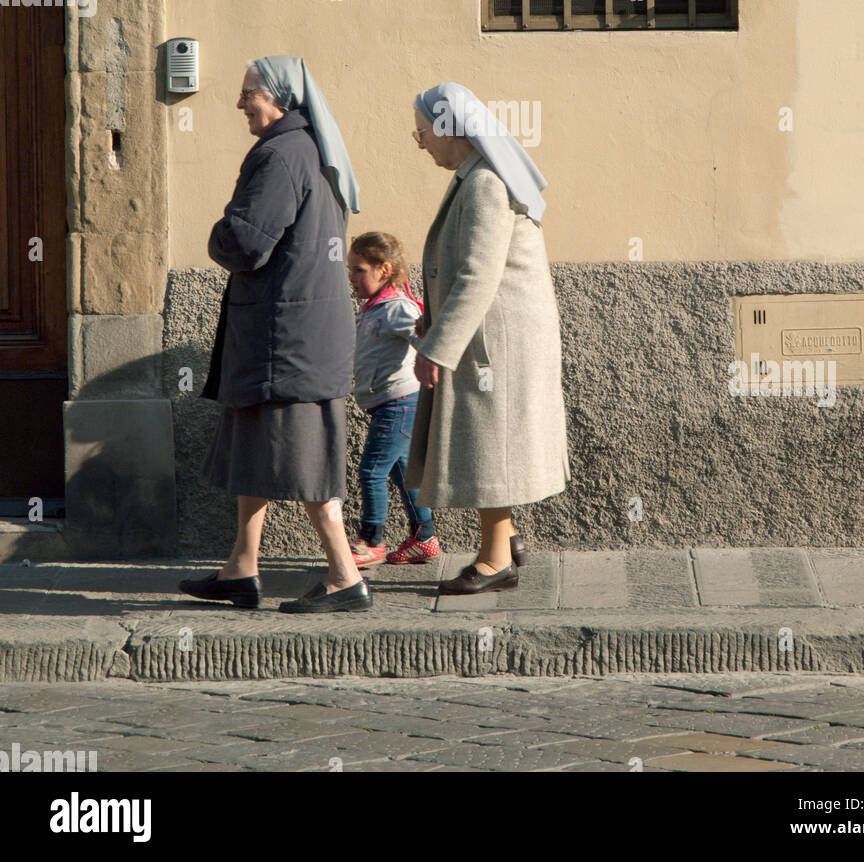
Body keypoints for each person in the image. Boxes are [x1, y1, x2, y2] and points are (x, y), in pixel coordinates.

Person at [178, 56, 372, 615]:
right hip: (294, 335)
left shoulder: (280, 155)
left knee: (304, 460)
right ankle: (242, 567)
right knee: (258, 451)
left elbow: (244, 240)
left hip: (285, 341)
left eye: (249, 94)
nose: (240, 104)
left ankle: (344, 577)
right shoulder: (308, 149)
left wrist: (215, 233)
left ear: (280, 97)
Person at [406, 82, 570, 594]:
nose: (420, 141)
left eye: (423, 130)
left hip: (493, 343)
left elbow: (478, 275)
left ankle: (496, 559)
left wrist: (437, 348)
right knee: (488, 443)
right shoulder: (476, 176)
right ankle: (507, 537)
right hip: (492, 336)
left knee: (487, 448)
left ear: (450, 125)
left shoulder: (484, 184)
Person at [347, 232, 440, 565]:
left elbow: (424, 337)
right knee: (404, 474)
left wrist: (428, 351)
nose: (352, 278)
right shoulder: (375, 308)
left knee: (371, 470)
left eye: (359, 270)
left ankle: (371, 540)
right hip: (390, 403)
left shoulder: (397, 307)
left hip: (398, 404)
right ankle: (425, 537)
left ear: (383, 270)